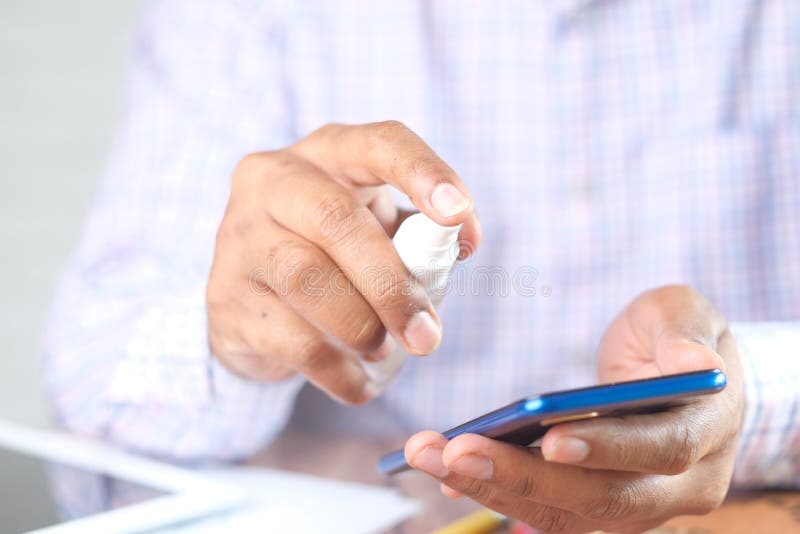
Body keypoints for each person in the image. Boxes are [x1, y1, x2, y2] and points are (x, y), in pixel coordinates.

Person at [44, 1, 799, 531]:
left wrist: (752, 393)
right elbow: (90, 375)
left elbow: (745, 392)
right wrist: (237, 338)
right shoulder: (256, 16)